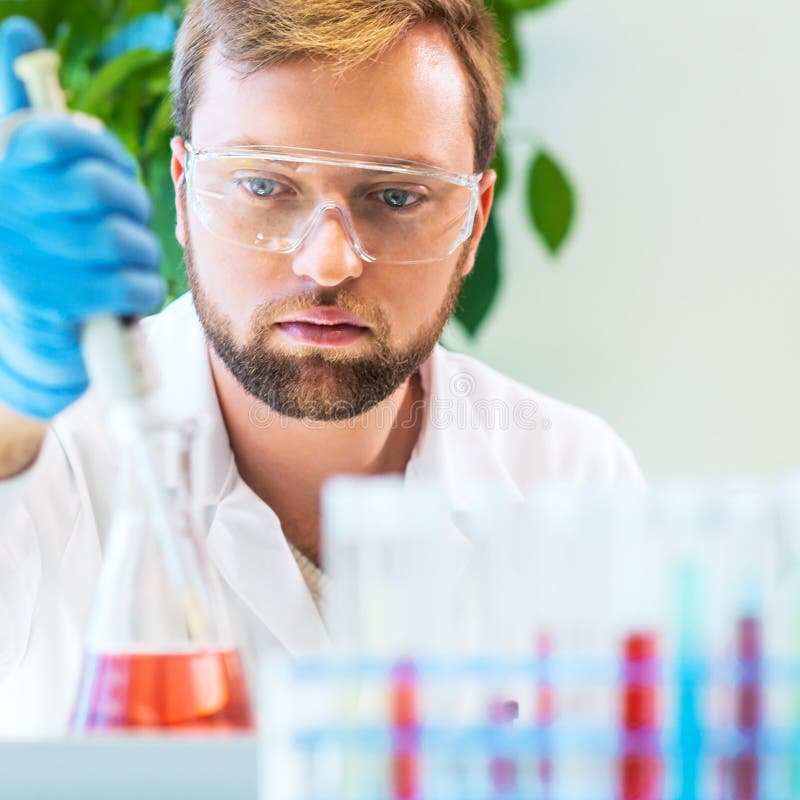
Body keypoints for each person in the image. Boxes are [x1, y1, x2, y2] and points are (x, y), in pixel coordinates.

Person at [0, 1, 642, 735]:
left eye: (396, 197)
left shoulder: (571, 481)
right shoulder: (50, 454)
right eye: (264, 186)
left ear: (474, 224)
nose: (327, 262)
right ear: (182, 192)